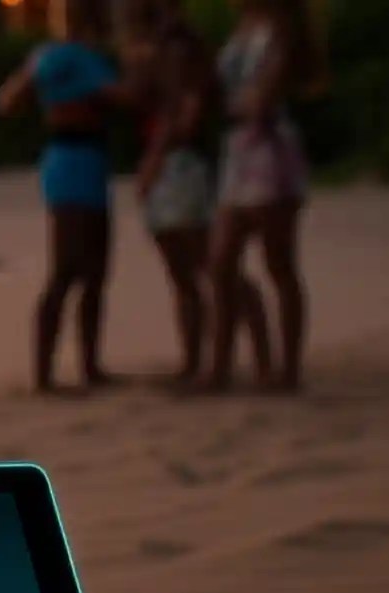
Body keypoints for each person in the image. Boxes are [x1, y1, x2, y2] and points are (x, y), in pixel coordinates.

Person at [125, 0, 272, 385]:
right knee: (189, 271)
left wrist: (154, 160)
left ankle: (249, 359)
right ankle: (199, 360)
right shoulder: (158, 47)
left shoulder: (180, 47)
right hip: (172, 163)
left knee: (208, 264)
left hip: (181, 164)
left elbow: (185, 113)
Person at [0, 0, 122, 393]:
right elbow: (8, 102)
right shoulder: (64, 58)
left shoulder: (67, 57)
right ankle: (45, 375)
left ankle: (89, 365)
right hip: (70, 161)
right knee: (67, 268)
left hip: (90, 159)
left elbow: (7, 102)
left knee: (95, 271)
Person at [208, 0, 325, 392]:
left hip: (268, 148)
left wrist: (236, 104)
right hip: (237, 149)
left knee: (278, 262)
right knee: (221, 260)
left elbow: (264, 96)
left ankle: (287, 369)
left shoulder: (281, 27)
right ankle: (220, 366)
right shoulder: (243, 23)